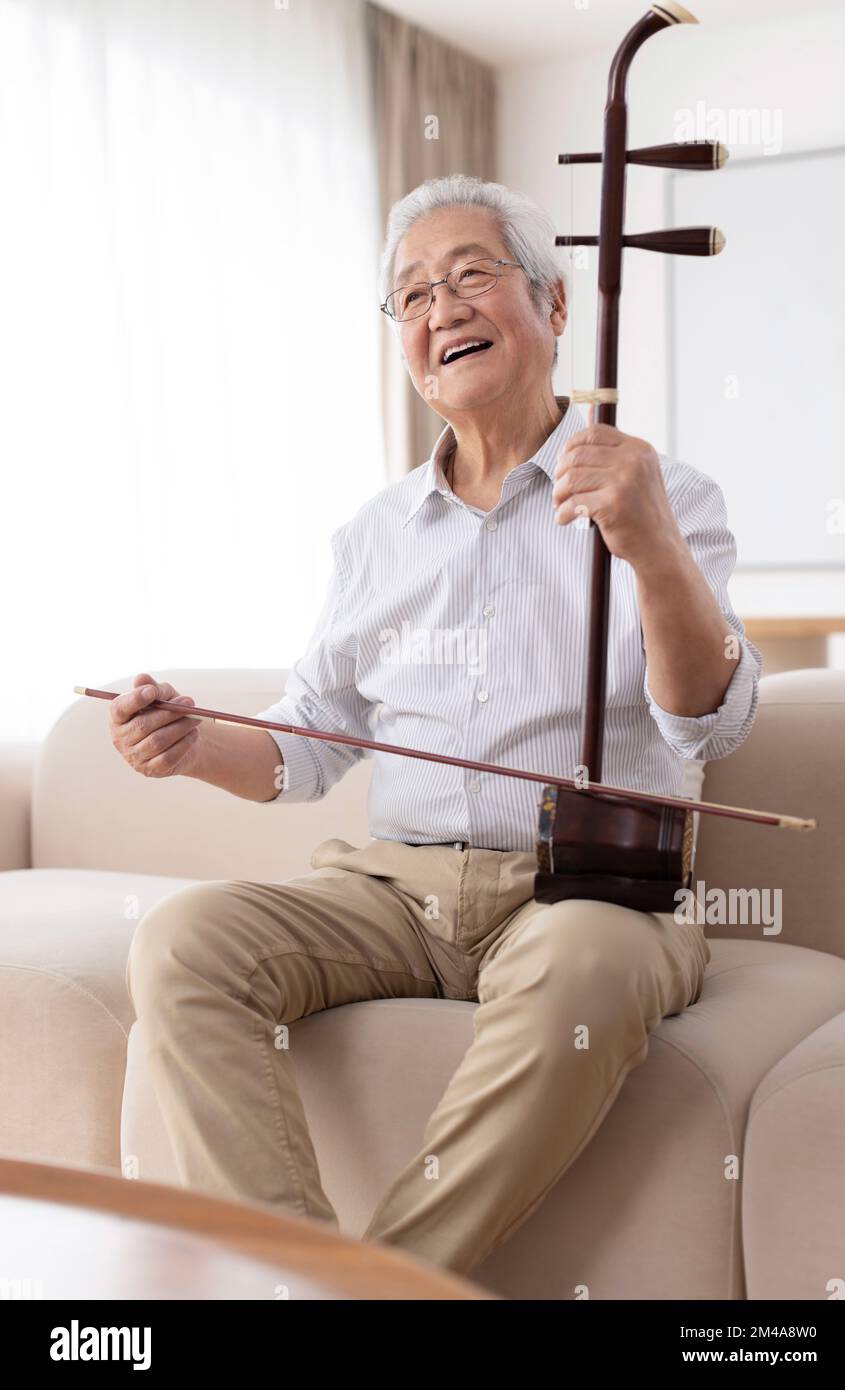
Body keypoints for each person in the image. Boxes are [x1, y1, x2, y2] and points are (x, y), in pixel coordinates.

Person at [114, 174, 761, 1279]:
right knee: (184, 941)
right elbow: (311, 740)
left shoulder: (661, 491)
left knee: (586, 969)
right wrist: (189, 744)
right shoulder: (374, 536)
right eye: (412, 294)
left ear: (554, 307)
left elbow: (711, 723)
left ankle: (374, 1287)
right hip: (396, 892)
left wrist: (648, 544)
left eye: (472, 275)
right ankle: (293, 1270)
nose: (441, 308)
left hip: (586, 893)